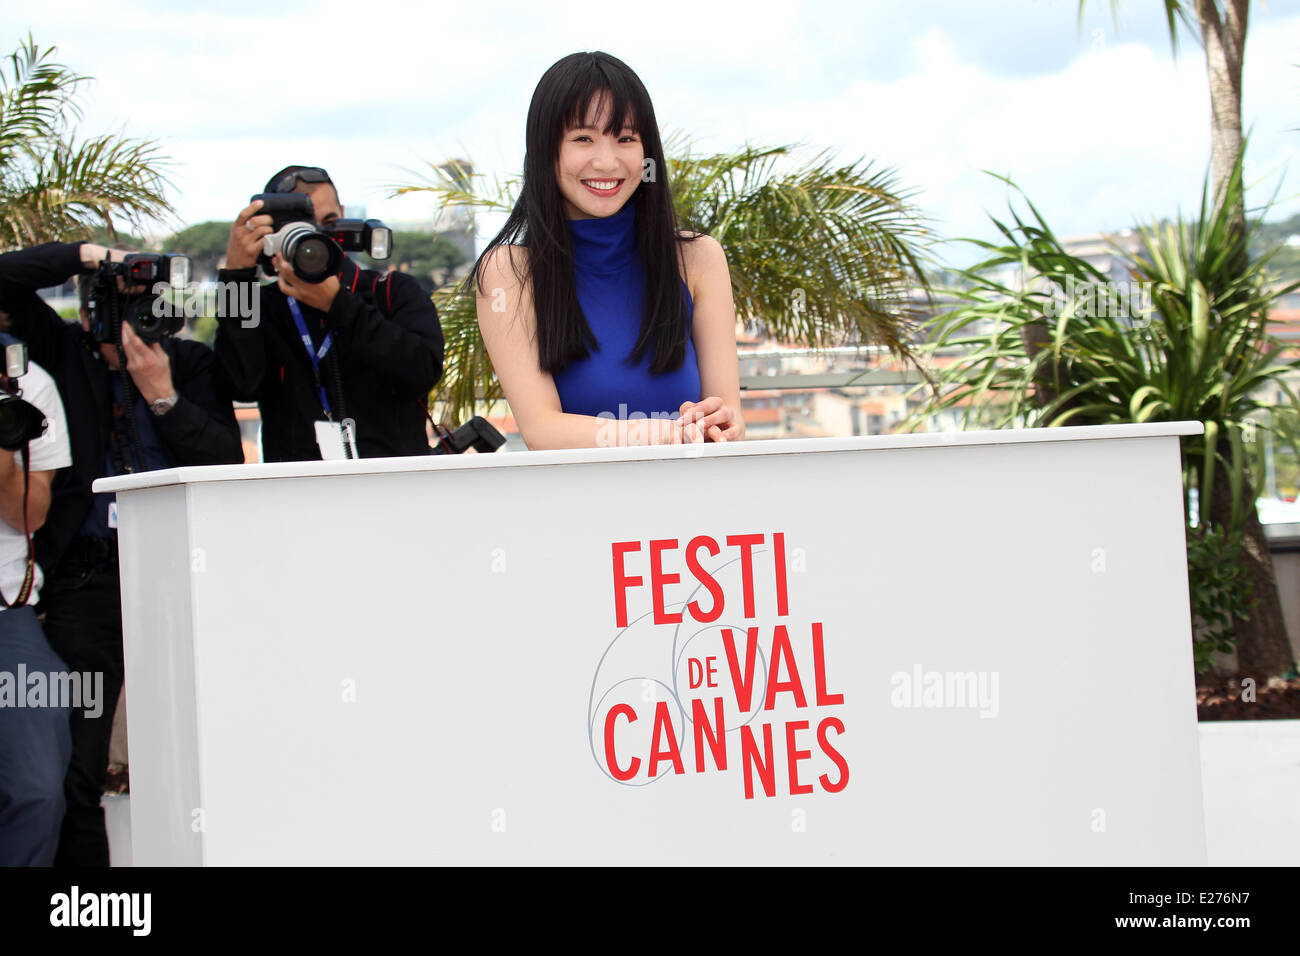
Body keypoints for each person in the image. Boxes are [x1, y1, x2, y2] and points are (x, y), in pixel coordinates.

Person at [0, 239, 244, 866]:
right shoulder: (61, 358)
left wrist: (162, 395)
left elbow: (222, 462)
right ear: (88, 314)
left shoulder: (187, 363)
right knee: (78, 770)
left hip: (182, 578)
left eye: (150, 304)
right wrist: (85, 255)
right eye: (122, 306)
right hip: (86, 583)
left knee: (204, 752)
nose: (140, 321)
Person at [474, 51, 745, 450]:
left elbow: (726, 413)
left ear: (646, 152)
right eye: (583, 138)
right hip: (578, 507)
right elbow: (541, 430)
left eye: (626, 139)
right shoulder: (509, 271)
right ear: (547, 151)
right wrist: (667, 433)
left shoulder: (699, 259)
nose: (607, 161)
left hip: (694, 499)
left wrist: (727, 424)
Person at [214, 166, 445, 461]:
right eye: (302, 225)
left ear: (345, 216)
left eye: (330, 222)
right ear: (270, 234)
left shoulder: (391, 291)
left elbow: (422, 370)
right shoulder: (260, 304)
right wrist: (236, 275)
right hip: (297, 493)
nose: (317, 237)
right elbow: (240, 384)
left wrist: (339, 305)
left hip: (393, 488)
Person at [0, 342, 72, 866]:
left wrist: (5, 455)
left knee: (38, 790)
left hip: (10, 612)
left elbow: (31, 516)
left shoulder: (26, 382)